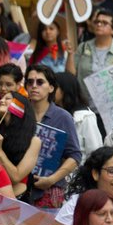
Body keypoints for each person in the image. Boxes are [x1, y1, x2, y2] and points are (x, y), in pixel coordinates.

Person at [26, 65, 84, 208]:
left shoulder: (63, 117)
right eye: (30, 82)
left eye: (40, 82)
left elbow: (75, 155)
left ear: (51, 88)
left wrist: (51, 179)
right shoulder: (20, 114)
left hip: (50, 190)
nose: (34, 86)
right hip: (20, 187)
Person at [73, 9, 113, 81]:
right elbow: (72, 74)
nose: (99, 24)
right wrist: (70, 54)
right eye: (97, 22)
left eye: (104, 23)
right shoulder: (83, 47)